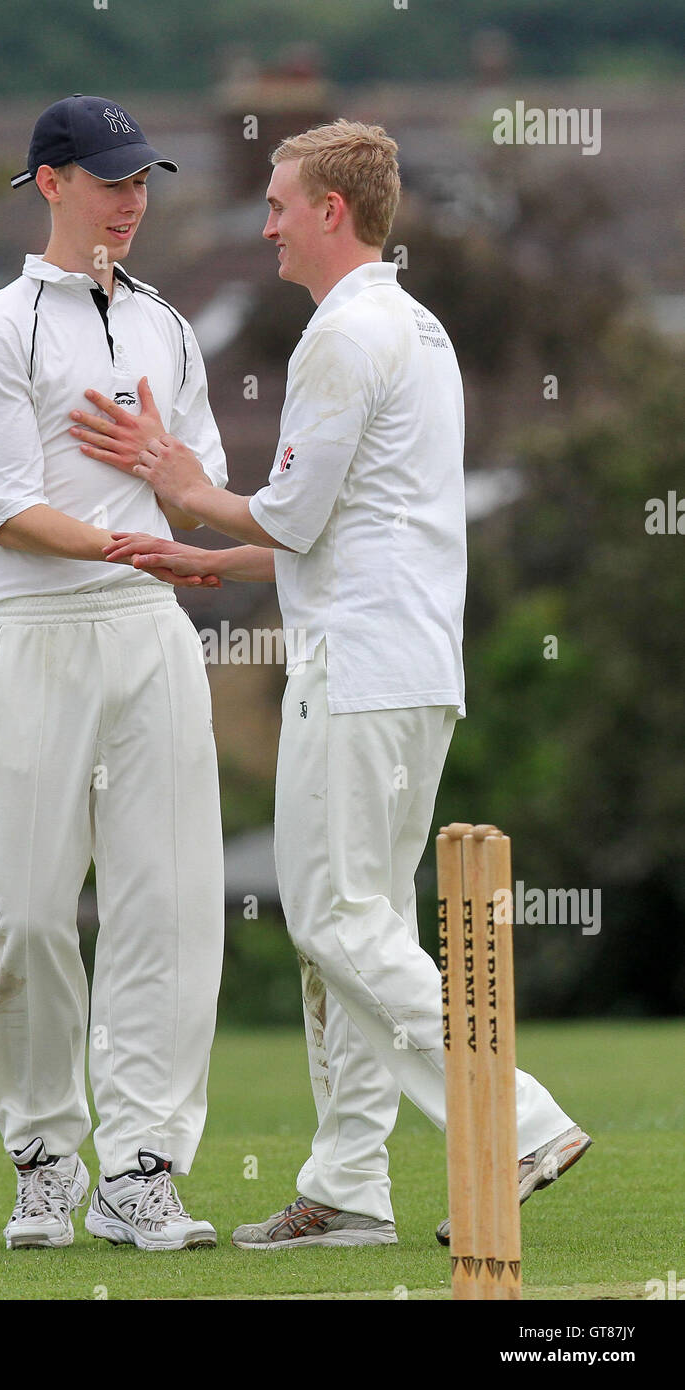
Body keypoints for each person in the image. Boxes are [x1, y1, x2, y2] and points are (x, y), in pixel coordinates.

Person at [80, 118, 592, 1249]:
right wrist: (211, 558)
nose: (260, 224)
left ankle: (517, 1123)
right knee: (356, 921)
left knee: (334, 915)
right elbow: (347, 526)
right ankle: (350, 1185)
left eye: (275, 203)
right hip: (407, 669)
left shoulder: (342, 337)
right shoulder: (413, 328)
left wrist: (177, 481)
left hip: (356, 669)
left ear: (328, 211)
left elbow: (293, 513)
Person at [0, 95, 228, 1253]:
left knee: (167, 904)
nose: (131, 198)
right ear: (48, 183)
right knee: (35, 919)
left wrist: (182, 515)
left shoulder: (166, 326)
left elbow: (191, 476)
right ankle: (44, 1159)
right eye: (109, 179)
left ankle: (143, 1169)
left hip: (148, 628)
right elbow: (3, 511)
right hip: (33, 632)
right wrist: (134, 538)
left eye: (141, 178)